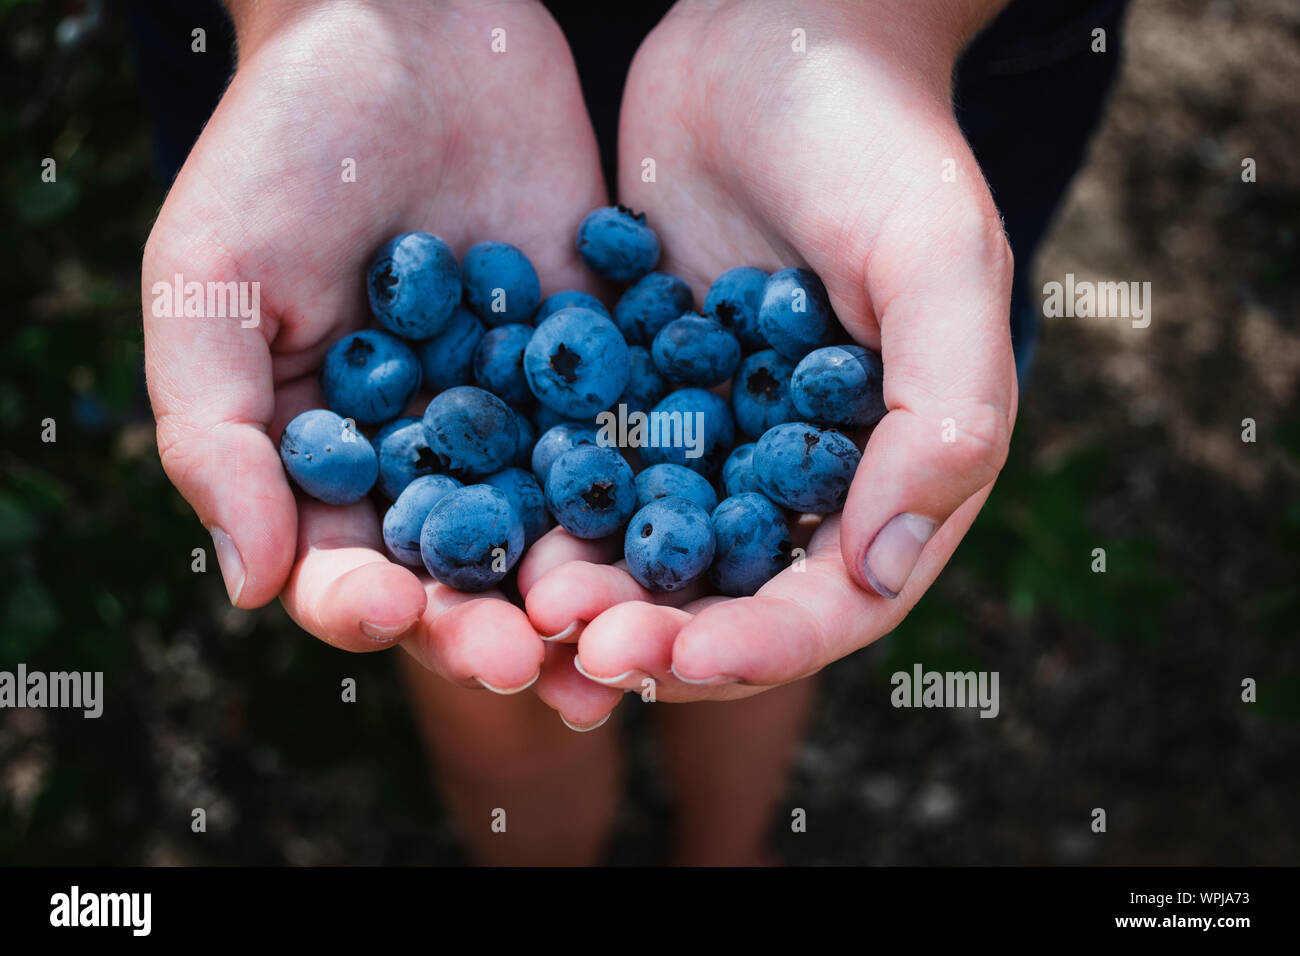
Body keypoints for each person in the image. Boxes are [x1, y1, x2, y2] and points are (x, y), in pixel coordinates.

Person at [136, 0, 1127, 865]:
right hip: (428, 101)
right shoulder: (464, 408)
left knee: (764, 589)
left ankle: (721, 844)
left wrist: (866, 23)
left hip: (877, 62)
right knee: (494, 650)